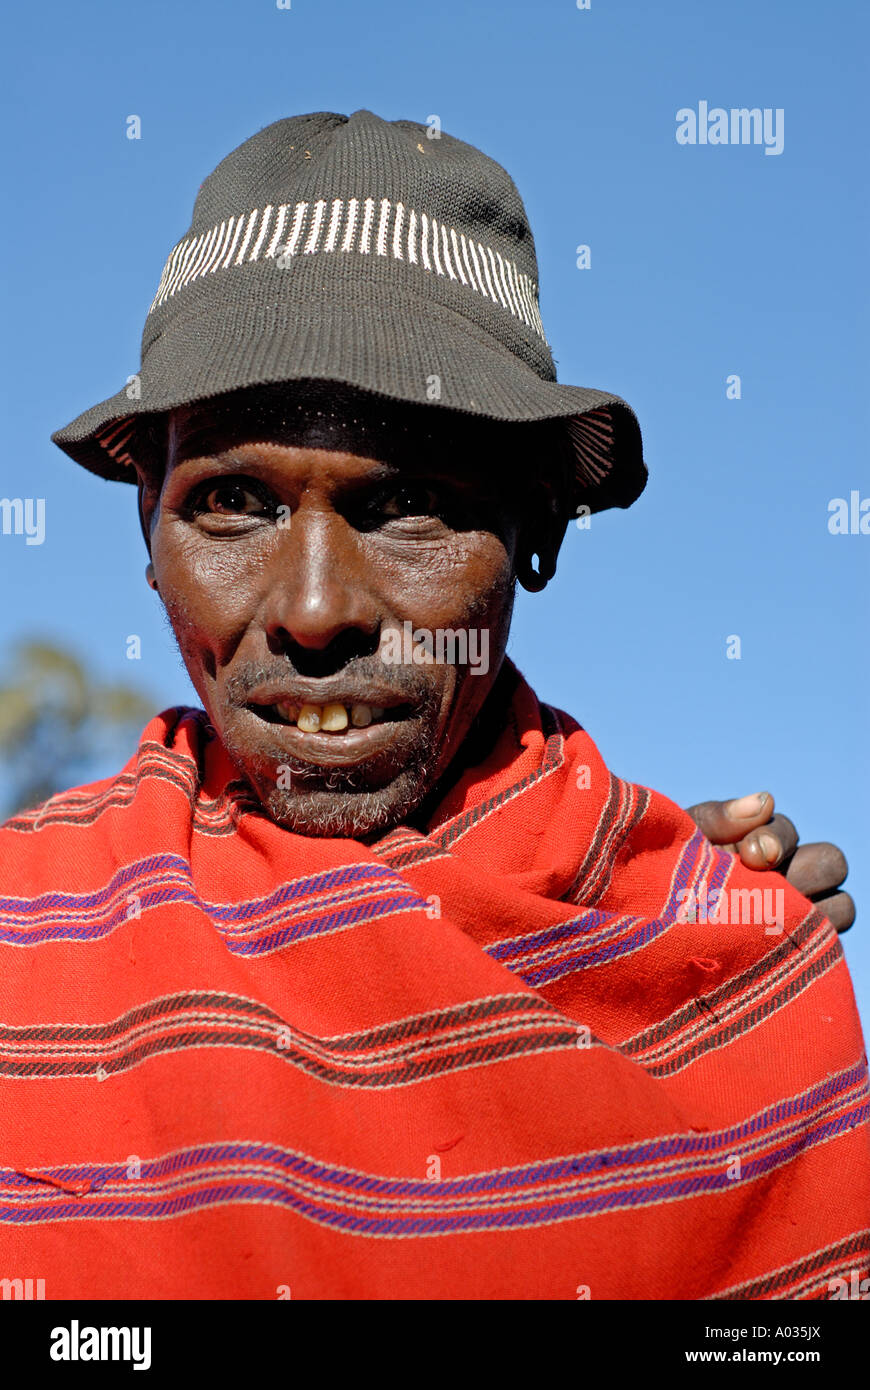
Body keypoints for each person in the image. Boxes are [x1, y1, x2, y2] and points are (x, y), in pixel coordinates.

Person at [1, 110, 865, 1301]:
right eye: (234, 501)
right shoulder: (27, 943)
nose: (313, 612)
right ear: (142, 519)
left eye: (408, 499)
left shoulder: (716, 960)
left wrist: (639, 940)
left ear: (541, 527)